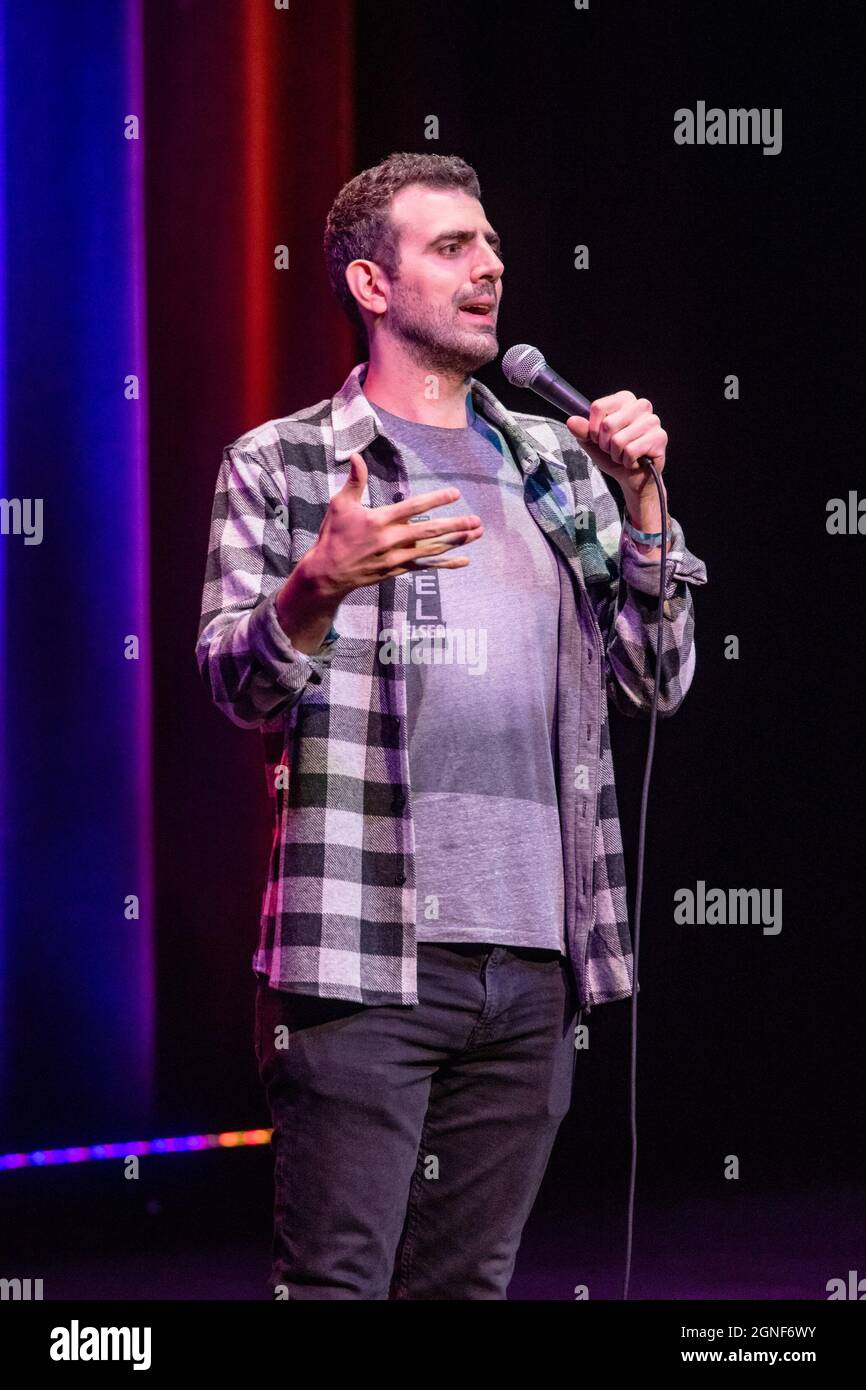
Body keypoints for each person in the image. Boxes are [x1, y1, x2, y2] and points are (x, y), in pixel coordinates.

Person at [195, 152, 707, 1300]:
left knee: (464, 1290)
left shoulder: (553, 466)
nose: (490, 267)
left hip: (532, 958)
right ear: (372, 287)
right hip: (359, 954)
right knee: (337, 1283)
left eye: (489, 246)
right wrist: (312, 587)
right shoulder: (282, 466)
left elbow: (658, 678)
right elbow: (237, 685)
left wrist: (639, 507)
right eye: (451, 248)